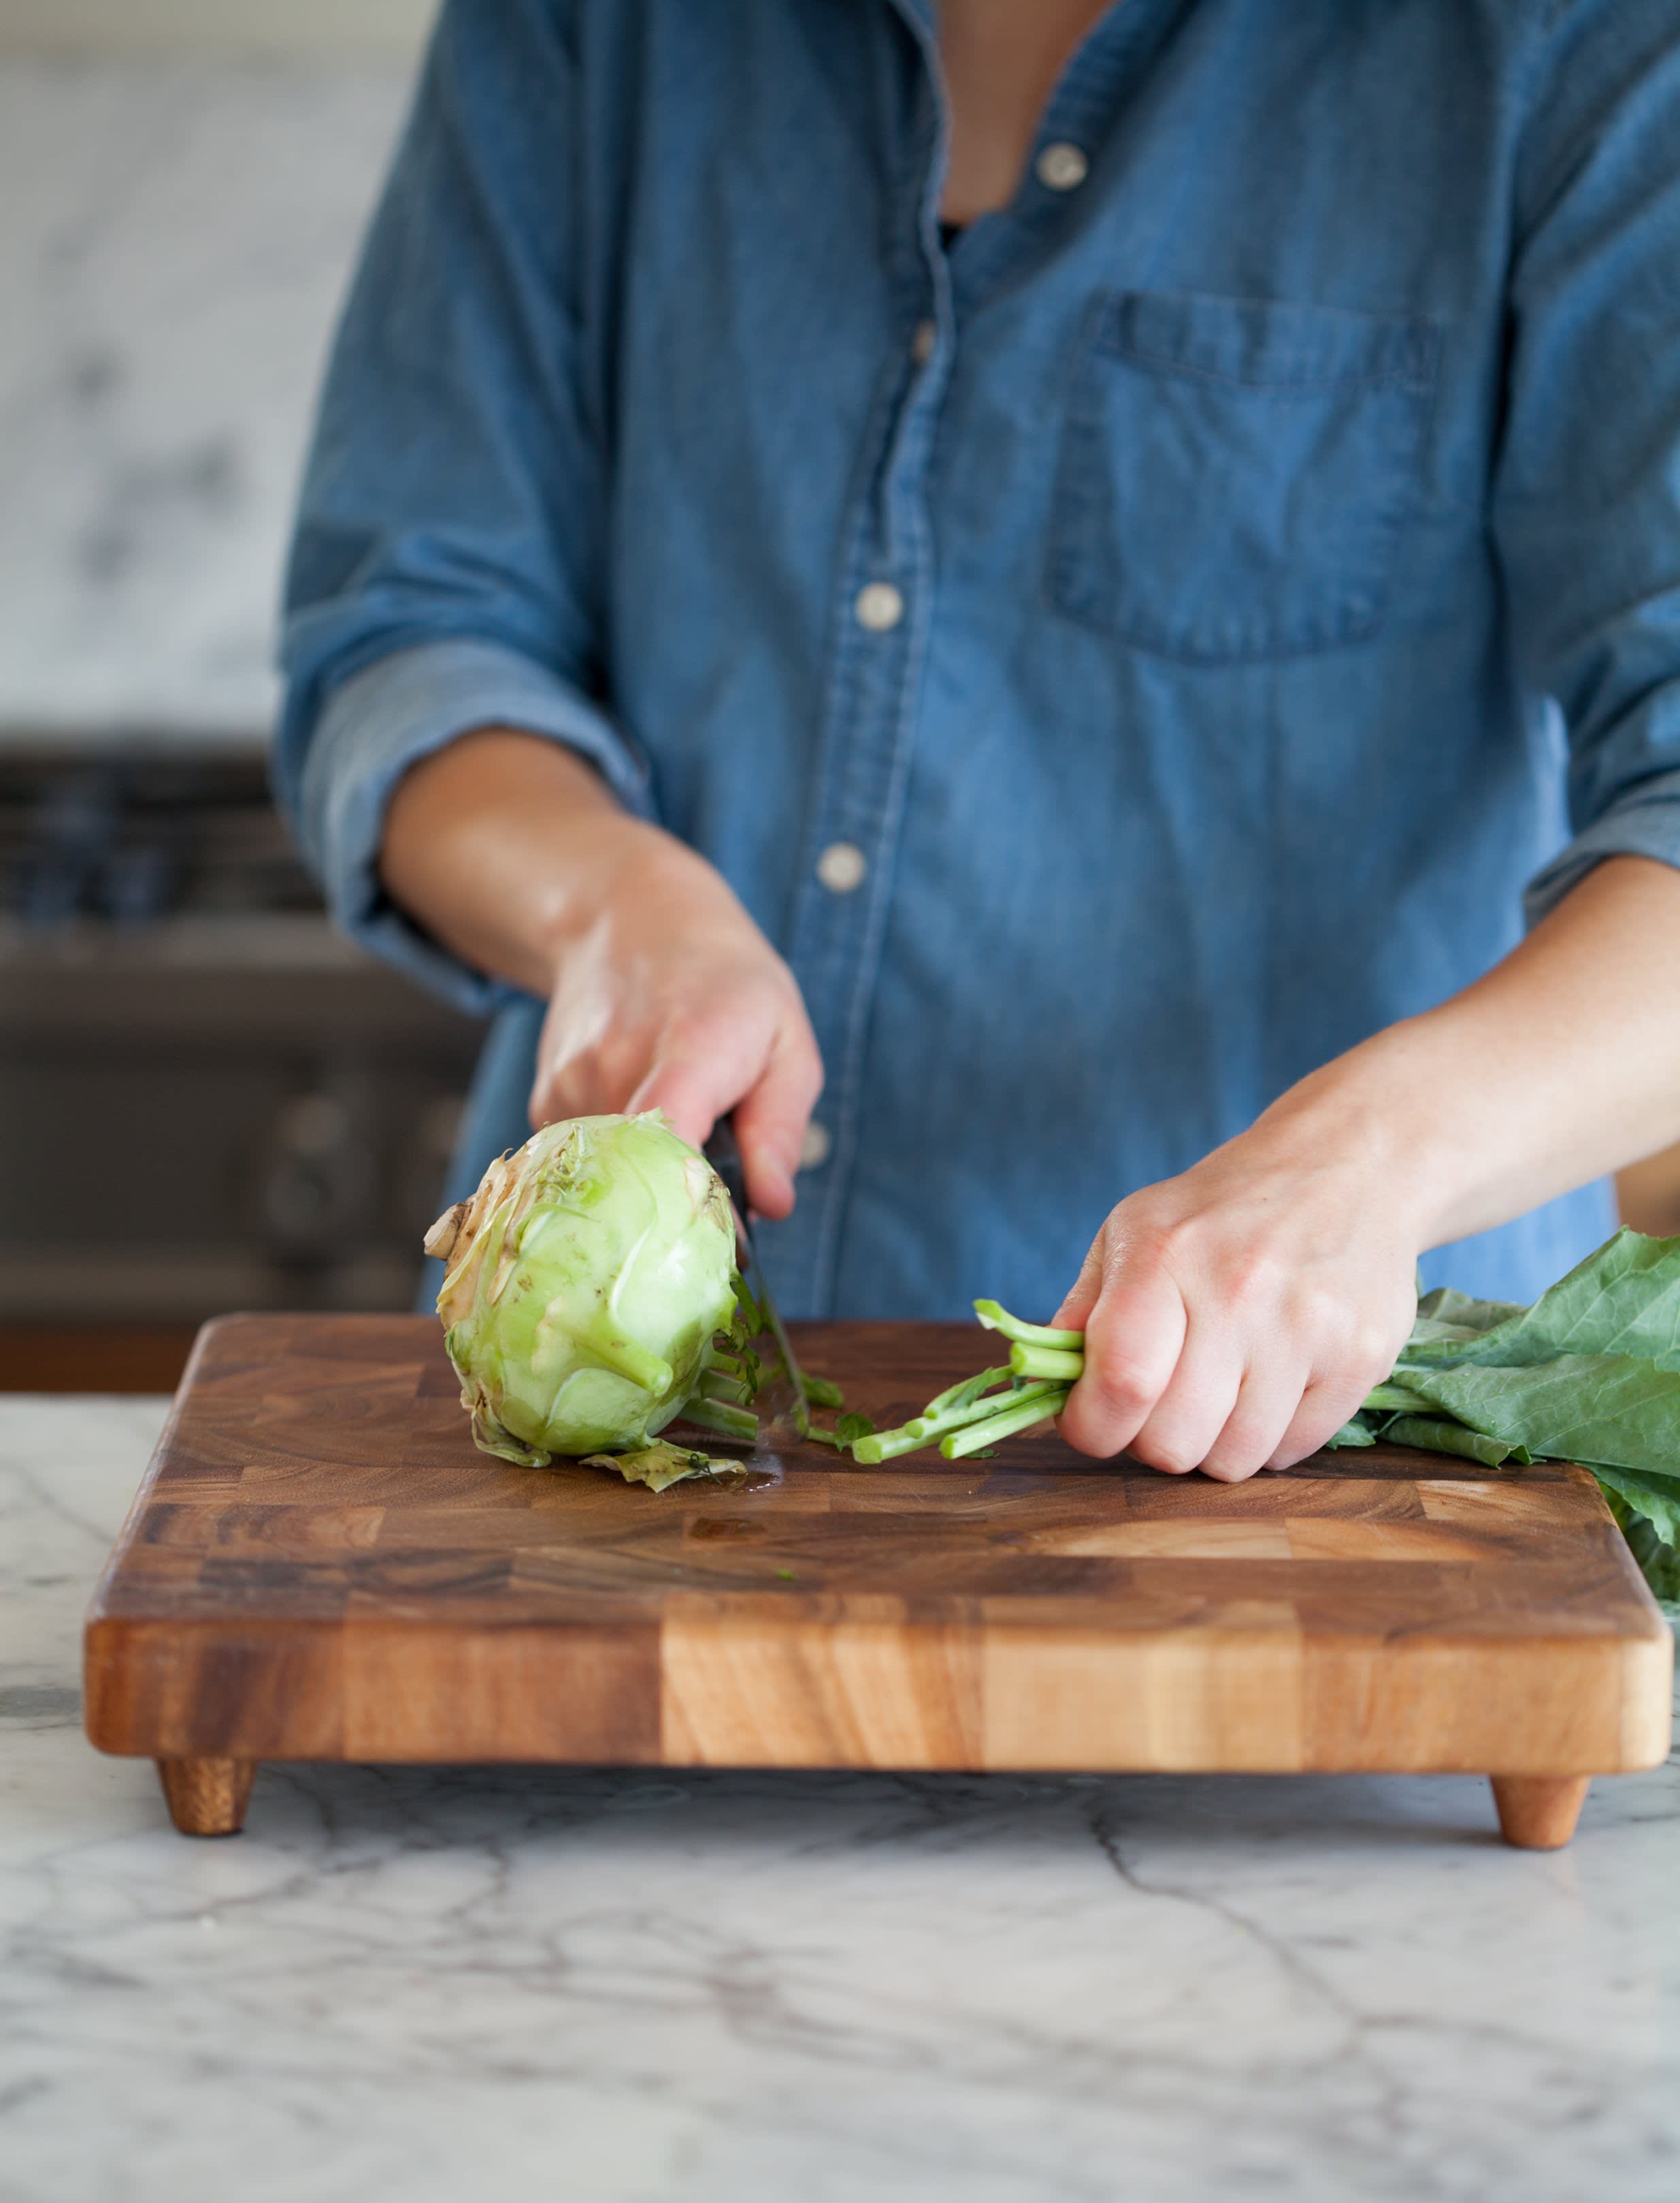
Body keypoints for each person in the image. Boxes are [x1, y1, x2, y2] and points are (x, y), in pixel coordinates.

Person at [277, 0, 1680, 1484]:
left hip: (1301, 1472)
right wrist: (610, 905)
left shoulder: (1580, 42)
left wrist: (1366, 1160)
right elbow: (406, 630)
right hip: (601, 1474)